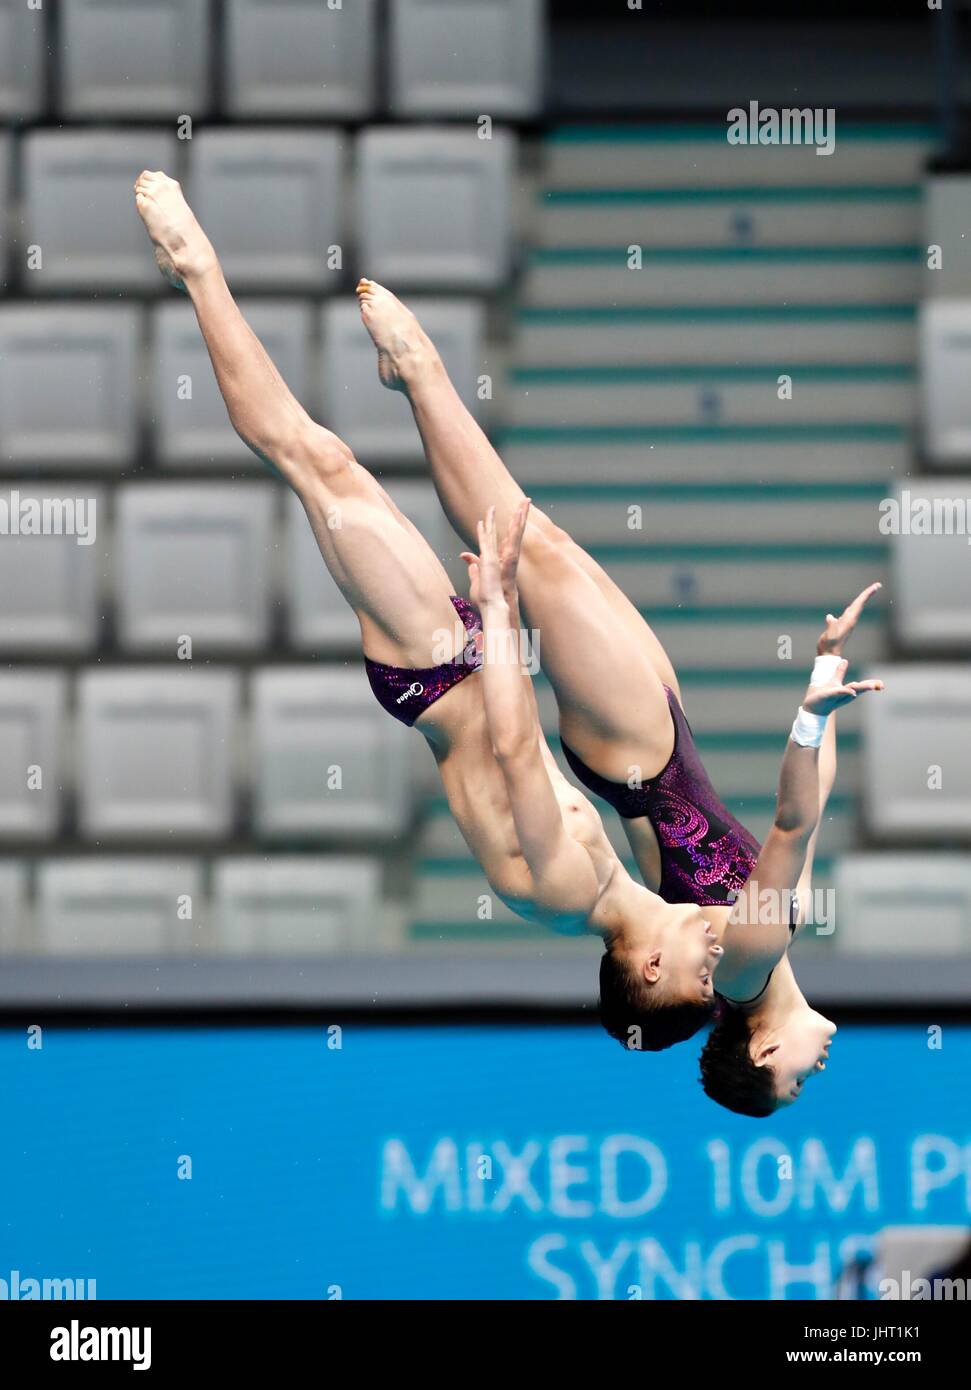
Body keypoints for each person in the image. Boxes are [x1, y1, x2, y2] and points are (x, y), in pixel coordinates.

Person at [132, 171, 880, 1059]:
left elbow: (522, 753)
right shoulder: (614, 891)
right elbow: (745, 826)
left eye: (697, 977)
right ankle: (405, 372)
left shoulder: (571, 897)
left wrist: (495, 615)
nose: (715, 962)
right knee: (342, 470)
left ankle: (196, 267)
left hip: (437, 671)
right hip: (479, 659)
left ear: (646, 974)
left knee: (314, 461)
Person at [353, 278, 883, 1050]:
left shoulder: (741, 970)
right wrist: (823, 680)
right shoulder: (764, 952)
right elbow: (811, 810)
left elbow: (792, 824)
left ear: (761, 1052)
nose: (817, 1068)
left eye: (795, 1080)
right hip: (652, 752)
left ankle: (419, 374)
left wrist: (808, 718)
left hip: (645, 761)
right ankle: (417, 382)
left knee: (532, 555)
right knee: (544, 551)